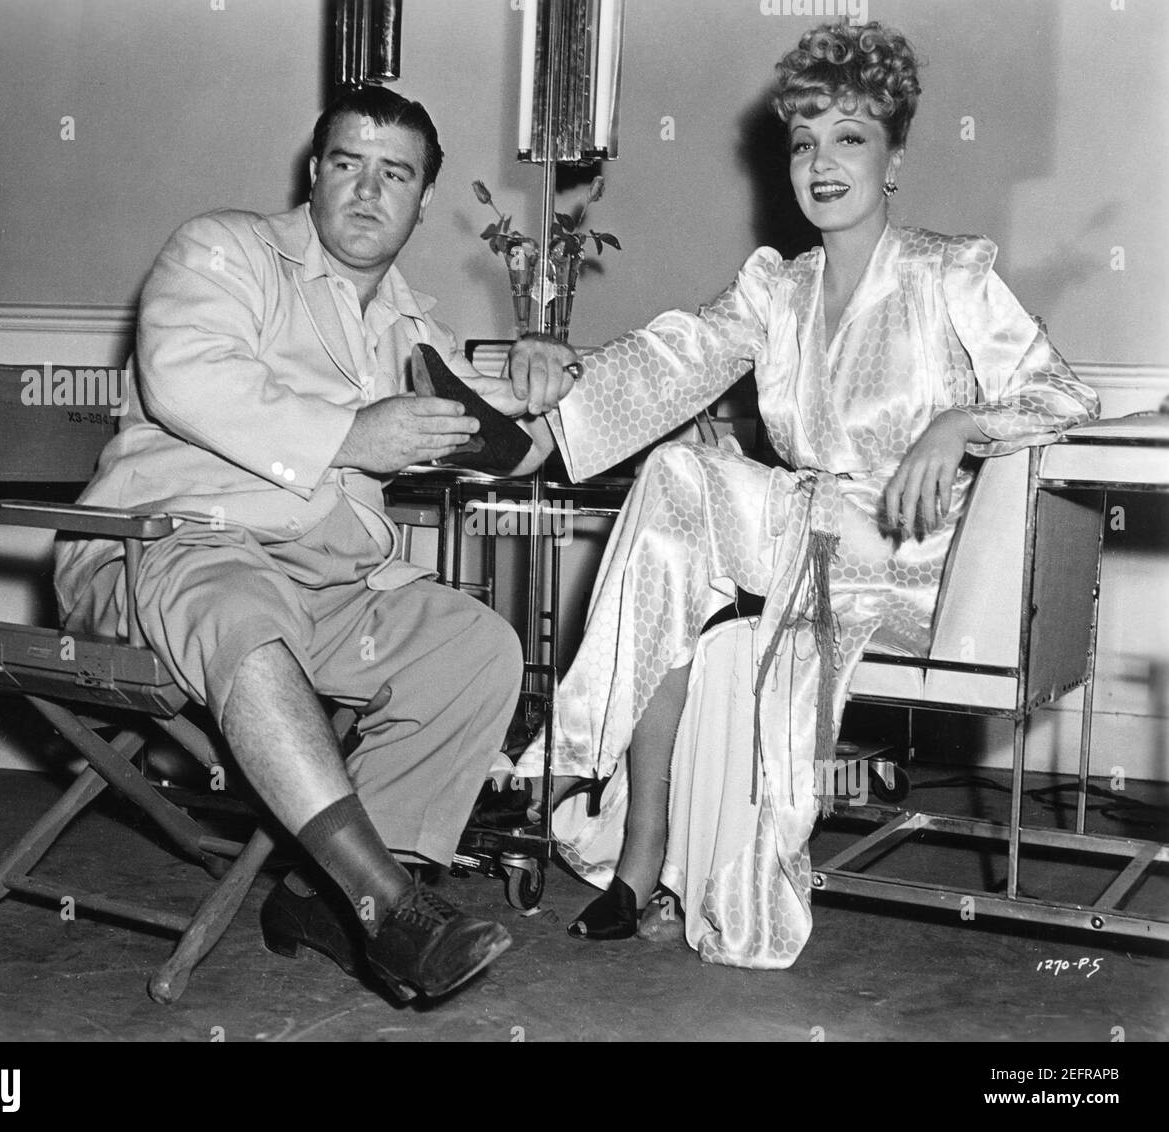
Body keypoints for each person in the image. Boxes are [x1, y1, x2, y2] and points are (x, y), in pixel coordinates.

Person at [512, 20, 1099, 967]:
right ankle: (639, 844)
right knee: (673, 482)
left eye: (850, 137)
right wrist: (562, 366)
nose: (822, 163)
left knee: (687, 503)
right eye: (803, 141)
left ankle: (574, 767)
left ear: (894, 155)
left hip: (911, 566)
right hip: (809, 535)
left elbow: (1068, 398)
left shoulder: (950, 274)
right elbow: (676, 353)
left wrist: (957, 427)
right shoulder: (776, 290)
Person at [54, 86, 577, 1001]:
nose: (369, 191)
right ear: (315, 173)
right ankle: (388, 908)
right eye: (348, 164)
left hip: (323, 581)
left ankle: (318, 900)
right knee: (242, 608)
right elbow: (188, 379)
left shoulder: (409, 326)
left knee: (474, 646)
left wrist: (540, 383)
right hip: (167, 548)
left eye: (396, 174)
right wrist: (352, 436)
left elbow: (501, 443)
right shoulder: (223, 249)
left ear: (421, 200)